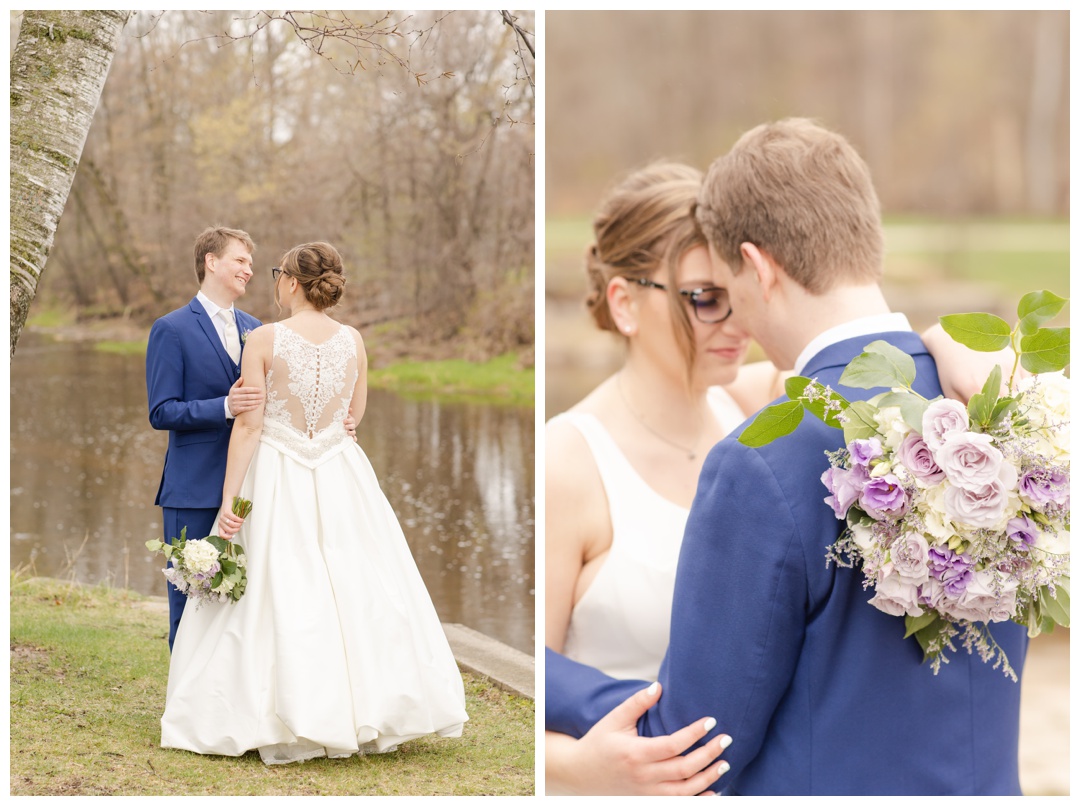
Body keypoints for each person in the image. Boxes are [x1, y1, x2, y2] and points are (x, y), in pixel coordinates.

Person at [545, 120, 1027, 796]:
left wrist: (539, 674)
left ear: (760, 267)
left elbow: (697, 740)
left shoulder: (759, 458)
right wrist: (946, 339)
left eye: (727, 289)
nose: (733, 322)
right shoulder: (998, 413)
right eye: (702, 299)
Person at [160, 242, 468, 763]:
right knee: (355, 585)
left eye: (278, 272)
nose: (272, 279)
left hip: (277, 472)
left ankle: (269, 711)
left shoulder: (262, 339)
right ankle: (359, 707)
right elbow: (354, 413)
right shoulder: (354, 340)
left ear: (293, 283)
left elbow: (250, 425)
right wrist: (336, 430)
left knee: (280, 588)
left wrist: (229, 499)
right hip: (339, 473)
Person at [146, 226, 265, 651]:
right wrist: (223, 407)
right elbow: (161, 411)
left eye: (250, 263)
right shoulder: (171, 328)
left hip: (251, 487)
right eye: (240, 260)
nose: (249, 270)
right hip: (193, 488)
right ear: (211, 262)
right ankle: (181, 708)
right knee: (189, 602)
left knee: (243, 603)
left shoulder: (259, 329)